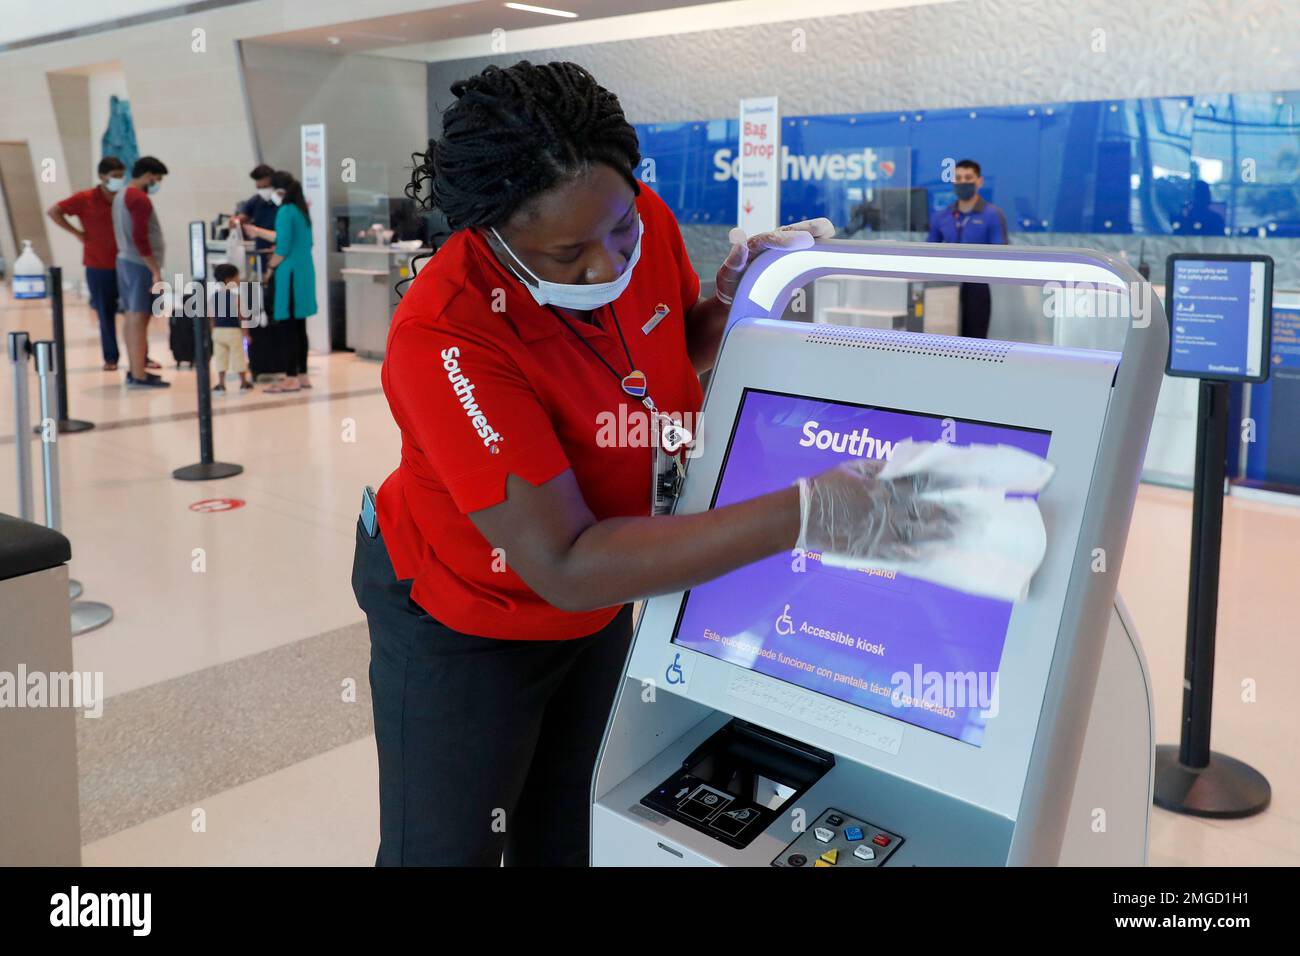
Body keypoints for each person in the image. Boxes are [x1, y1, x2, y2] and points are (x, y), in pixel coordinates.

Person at [352, 60, 958, 867]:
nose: (607, 266)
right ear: (494, 235)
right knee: (445, 849)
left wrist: (743, 300)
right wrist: (812, 510)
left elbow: (674, 346)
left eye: (621, 232)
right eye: (568, 254)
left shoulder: (631, 219)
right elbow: (561, 562)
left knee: (575, 827)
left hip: (603, 596)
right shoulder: (448, 332)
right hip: (466, 614)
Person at [47, 157, 126, 370]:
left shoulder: (125, 198)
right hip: (98, 265)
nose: (119, 180)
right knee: (105, 314)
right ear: (102, 177)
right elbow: (54, 211)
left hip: (127, 264)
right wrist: (76, 233)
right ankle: (111, 357)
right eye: (115, 176)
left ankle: (141, 357)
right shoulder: (85, 198)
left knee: (137, 312)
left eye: (121, 176)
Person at [926, 159, 1009, 339]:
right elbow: (928, 251)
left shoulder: (992, 215)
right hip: (944, 288)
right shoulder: (941, 216)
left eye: (968, 177)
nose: (963, 182)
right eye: (958, 178)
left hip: (977, 287)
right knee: (943, 342)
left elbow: (1001, 253)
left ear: (979, 181)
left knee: (975, 343)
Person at [111, 155, 170, 388]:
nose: (156, 183)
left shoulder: (122, 195)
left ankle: (137, 369)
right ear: (147, 175)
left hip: (126, 260)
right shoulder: (138, 198)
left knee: (133, 317)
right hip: (139, 264)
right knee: (138, 316)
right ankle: (138, 375)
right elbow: (140, 237)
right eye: (155, 179)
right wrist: (154, 269)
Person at [262, 171, 316, 393]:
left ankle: (290, 377)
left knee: (287, 329)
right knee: (300, 328)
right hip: (304, 275)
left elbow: (282, 247)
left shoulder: (284, 211)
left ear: (278, 190)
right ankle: (302, 375)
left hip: (289, 277)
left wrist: (270, 268)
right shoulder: (302, 212)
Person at [229, 164, 279, 376]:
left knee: (274, 308)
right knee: (258, 307)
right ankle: (259, 357)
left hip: (276, 259)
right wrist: (237, 221)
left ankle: (276, 357)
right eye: (258, 185)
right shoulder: (255, 201)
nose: (261, 188)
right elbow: (242, 216)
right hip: (259, 261)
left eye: (264, 184)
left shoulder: (281, 203)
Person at [209, 263, 252, 392]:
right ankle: (243, 382)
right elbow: (241, 317)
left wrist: (213, 331)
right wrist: (246, 334)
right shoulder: (236, 298)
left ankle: (221, 383)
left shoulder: (213, 297)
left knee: (220, 358)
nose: (239, 279)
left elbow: (211, 317)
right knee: (238, 357)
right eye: (237, 277)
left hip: (218, 332)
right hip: (233, 331)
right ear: (228, 280)